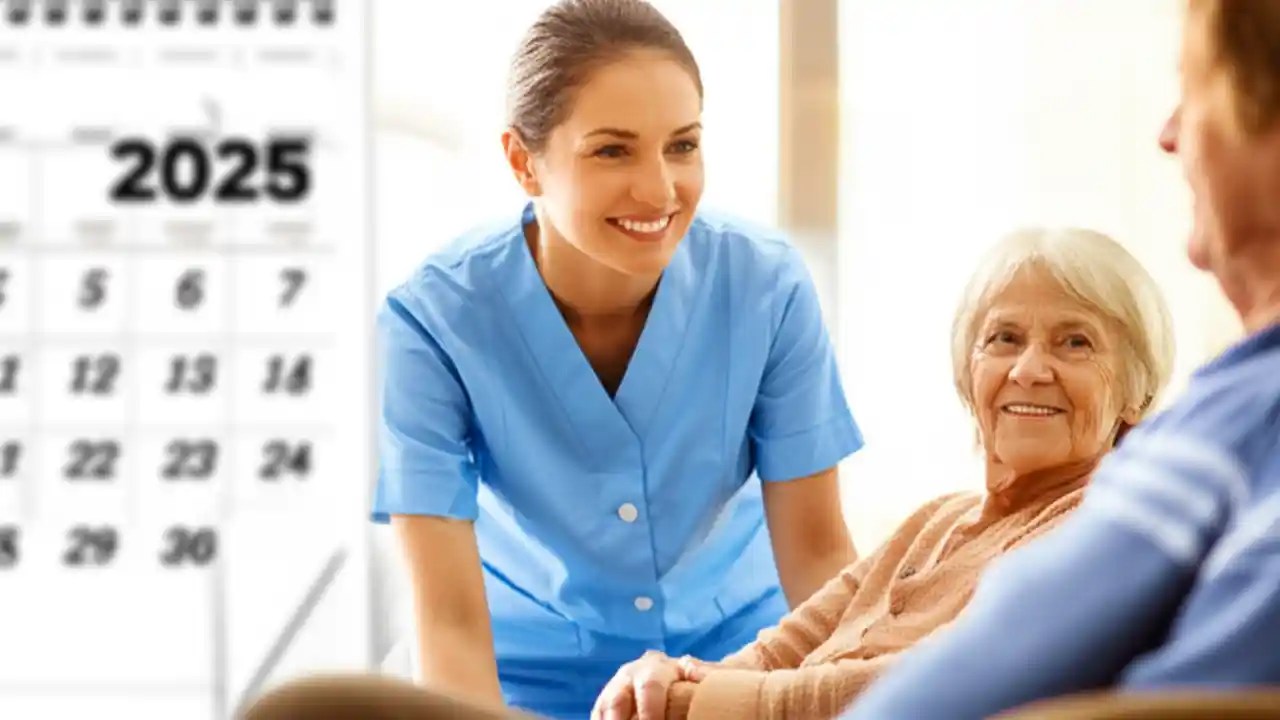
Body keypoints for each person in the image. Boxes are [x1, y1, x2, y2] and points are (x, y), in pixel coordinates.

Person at [371, 1, 863, 717]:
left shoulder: (766, 288)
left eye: (683, 146)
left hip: (738, 663)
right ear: (522, 161)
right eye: (612, 150)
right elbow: (447, 622)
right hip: (515, 678)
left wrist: (837, 695)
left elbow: (818, 558)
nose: (661, 190)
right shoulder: (431, 323)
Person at [845, 2, 1280, 718]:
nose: (1168, 135)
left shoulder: (1236, 426)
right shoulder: (930, 523)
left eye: (1193, 91)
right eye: (1003, 339)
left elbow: (918, 707)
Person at [589, 227, 1177, 720]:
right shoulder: (935, 520)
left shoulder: (1098, 529)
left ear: (1134, 389)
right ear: (969, 371)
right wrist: (667, 680)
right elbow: (778, 651)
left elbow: (947, 681)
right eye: (1004, 338)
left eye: (1075, 343)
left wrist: (719, 704)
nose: (1028, 369)